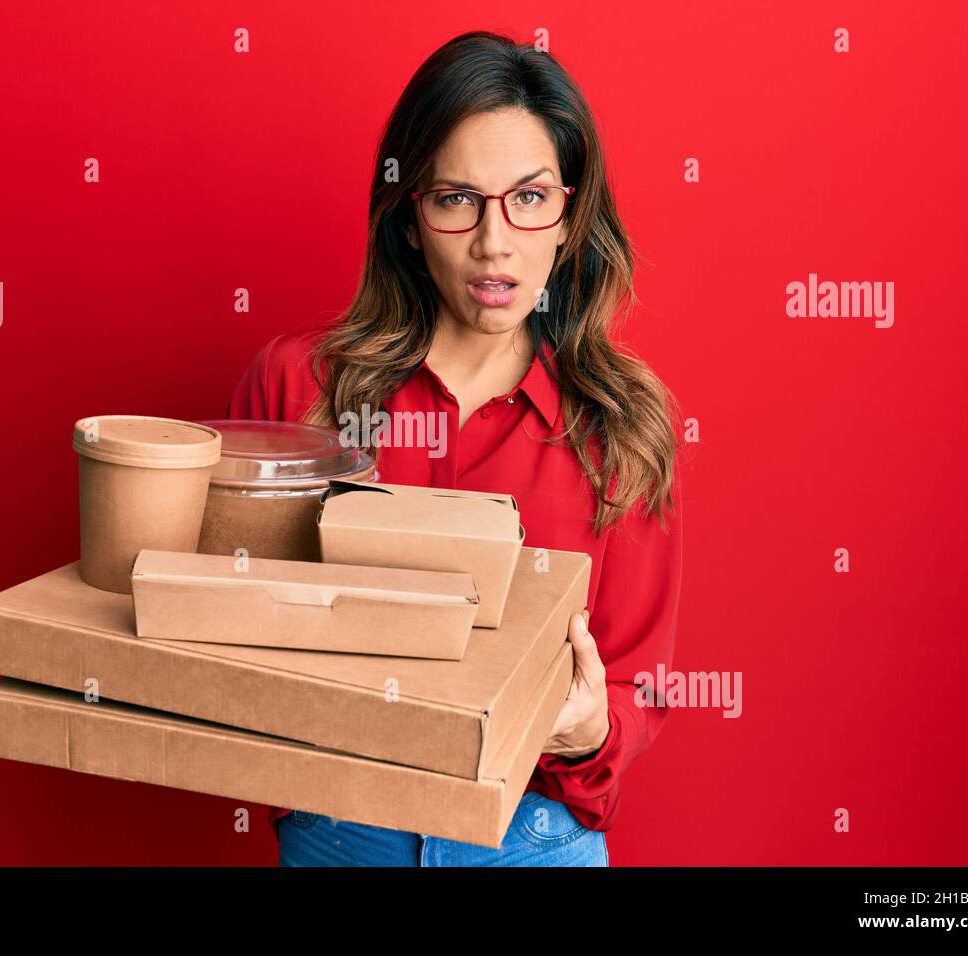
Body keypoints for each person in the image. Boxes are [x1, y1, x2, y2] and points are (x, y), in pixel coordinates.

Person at [225, 30, 684, 867]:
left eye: (529, 198)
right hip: (343, 827)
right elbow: (228, 614)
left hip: (532, 836)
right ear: (408, 218)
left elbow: (638, 681)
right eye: (456, 199)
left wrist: (589, 729)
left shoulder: (622, 427)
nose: (494, 242)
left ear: (570, 219)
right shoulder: (297, 388)